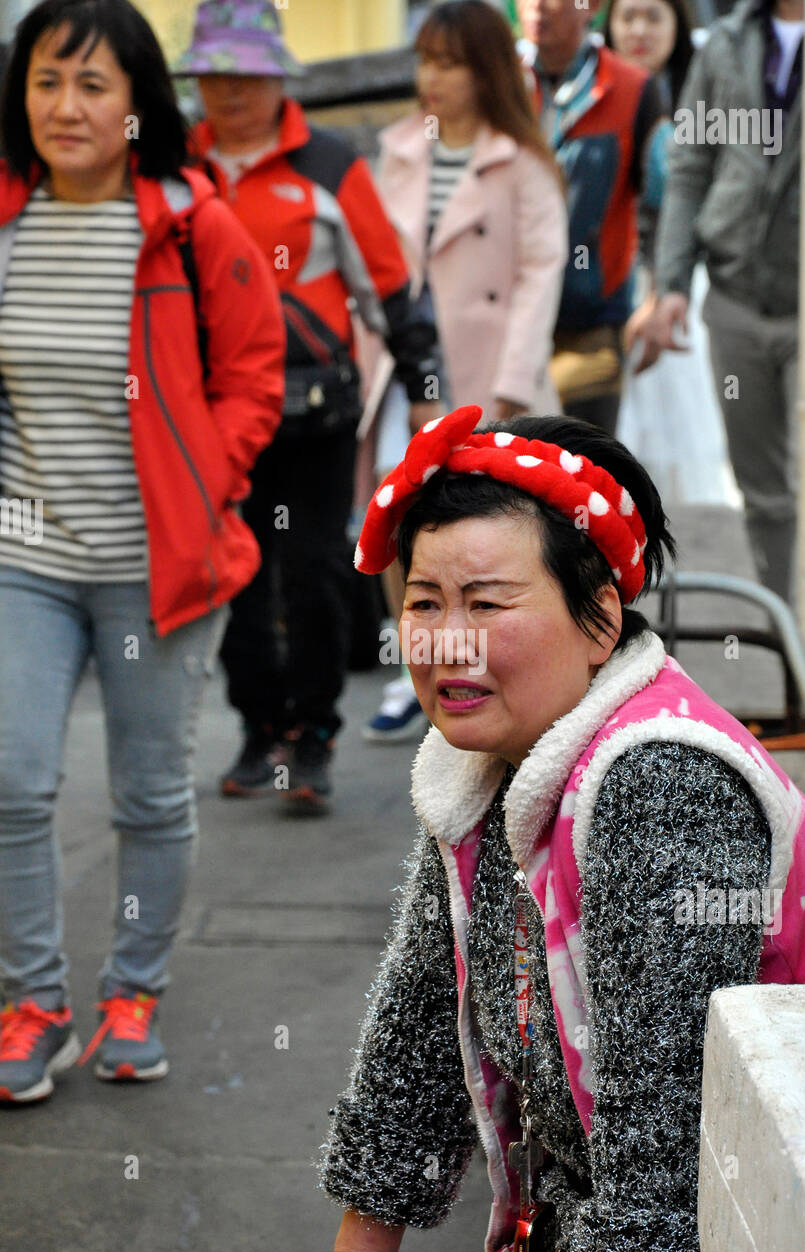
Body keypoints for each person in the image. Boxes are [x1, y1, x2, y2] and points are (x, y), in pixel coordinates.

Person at [284, 404, 805, 1252]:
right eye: (425, 602)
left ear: (600, 620)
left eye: (486, 603)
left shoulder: (659, 791)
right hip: (583, 1242)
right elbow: (425, 1013)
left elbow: (665, 1164)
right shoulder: (480, 757)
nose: (445, 642)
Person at [0, 0, 285, 1103]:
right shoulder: (10, 222)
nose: (65, 107)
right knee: (15, 783)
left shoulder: (190, 224)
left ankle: (134, 991)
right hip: (24, 554)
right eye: (44, 82)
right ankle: (33, 1003)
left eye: (92, 86)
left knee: (148, 793)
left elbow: (254, 375)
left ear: (136, 107)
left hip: (154, 570)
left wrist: (203, 480)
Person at [175, 0, 443, 814]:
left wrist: (426, 388)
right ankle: (261, 729)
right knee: (235, 576)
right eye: (214, 75)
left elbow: (391, 291)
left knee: (320, 568)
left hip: (314, 414)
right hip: (213, 415)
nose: (229, 92)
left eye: (246, 74)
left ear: (277, 76)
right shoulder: (175, 167)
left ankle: (315, 734)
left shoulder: (329, 165)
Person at [360, 0, 568, 744]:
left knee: (490, 529)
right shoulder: (398, 149)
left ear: (484, 69)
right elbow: (378, 266)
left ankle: (499, 669)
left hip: (489, 373)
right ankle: (418, 661)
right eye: (425, 60)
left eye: (449, 61)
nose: (432, 78)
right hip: (405, 368)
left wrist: (509, 386)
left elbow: (542, 276)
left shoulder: (522, 160)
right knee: (396, 511)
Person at [644, 0, 805, 601]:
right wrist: (673, 285)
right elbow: (689, 168)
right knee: (762, 488)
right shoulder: (727, 43)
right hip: (735, 294)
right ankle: (794, 636)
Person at [516, 0, 670, 433]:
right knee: (502, 475)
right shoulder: (499, 83)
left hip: (592, 318)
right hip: (505, 317)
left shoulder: (633, 88)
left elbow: (665, 199)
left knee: (584, 467)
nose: (537, 8)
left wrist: (659, 294)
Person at [606, 0, 737, 508]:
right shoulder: (592, 93)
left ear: (677, 25)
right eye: (627, 17)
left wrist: (664, 286)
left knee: (682, 423)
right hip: (612, 279)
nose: (639, 31)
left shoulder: (702, 98)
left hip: (681, 279)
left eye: (653, 17)